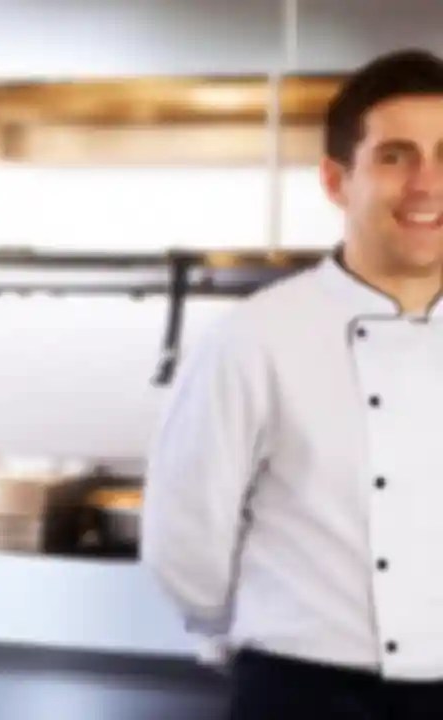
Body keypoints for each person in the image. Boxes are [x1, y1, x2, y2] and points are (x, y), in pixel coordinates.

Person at [141, 48, 443, 719]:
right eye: (395, 156)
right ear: (337, 181)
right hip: (306, 691)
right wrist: (271, 629)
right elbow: (184, 543)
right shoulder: (252, 338)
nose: (427, 183)